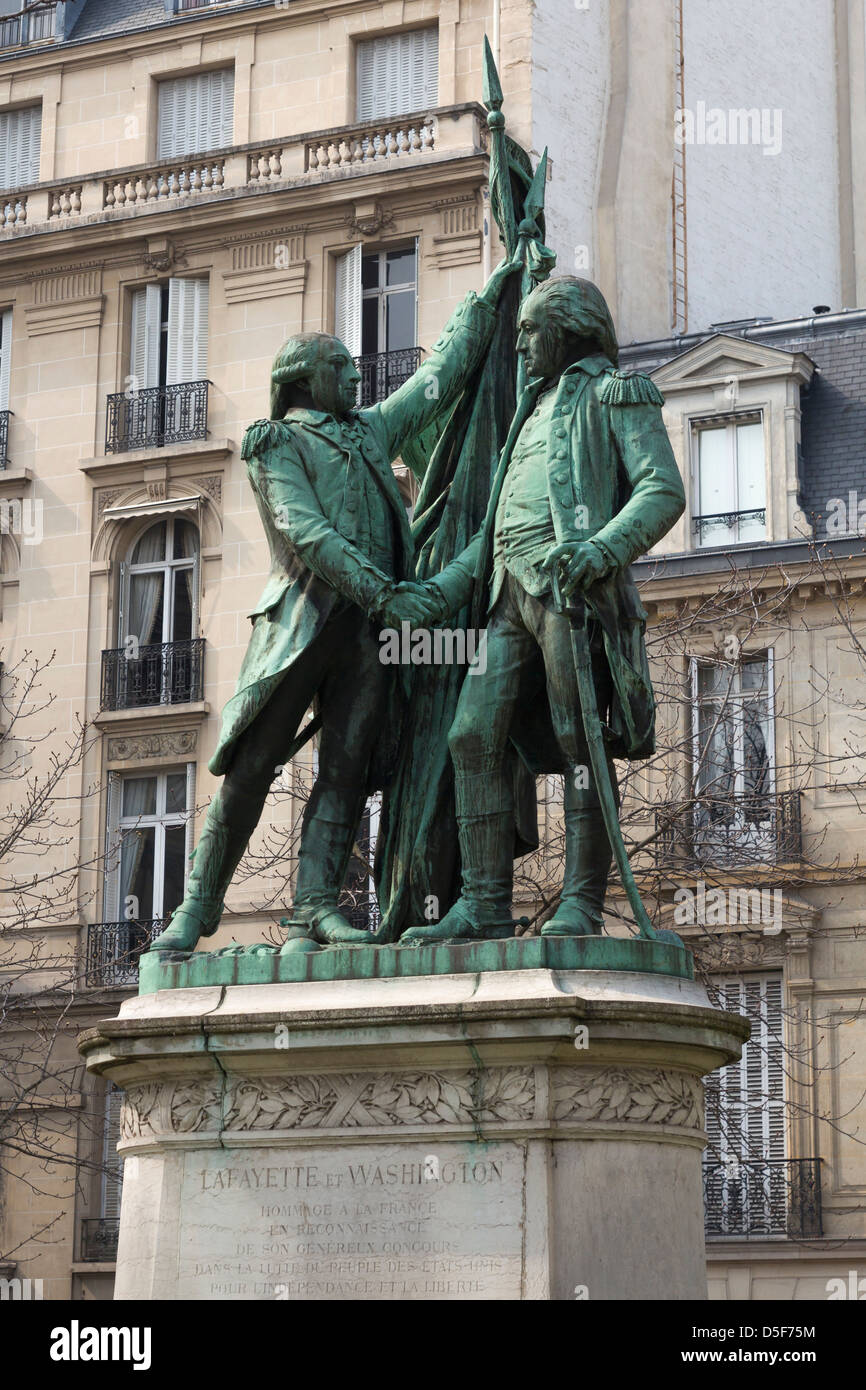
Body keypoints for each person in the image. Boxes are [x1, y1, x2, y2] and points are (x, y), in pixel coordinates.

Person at [153, 256, 521, 952]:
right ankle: (196, 911)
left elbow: (433, 383)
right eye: (342, 366)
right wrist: (387, 592)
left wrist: (493, 294)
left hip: (369, 637)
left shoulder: (370, 431)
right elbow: (305, 532)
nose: (357, 376)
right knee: (253, 765)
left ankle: (312, 910)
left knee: (348, 773)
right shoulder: (275, 442)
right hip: (302, 622)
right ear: (305, 379)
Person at [402, 275, 686, 943]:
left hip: (571, 592)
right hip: (508, 591)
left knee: (579, 741)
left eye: (531, 331)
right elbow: (494, 528)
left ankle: (583, 903)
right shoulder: (528, 411)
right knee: (472, 734)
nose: (522, 344)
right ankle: (483, 904)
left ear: (569, 331)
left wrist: (600, 548)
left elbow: (661, 490)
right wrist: (439, 592)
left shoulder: (615, 393)